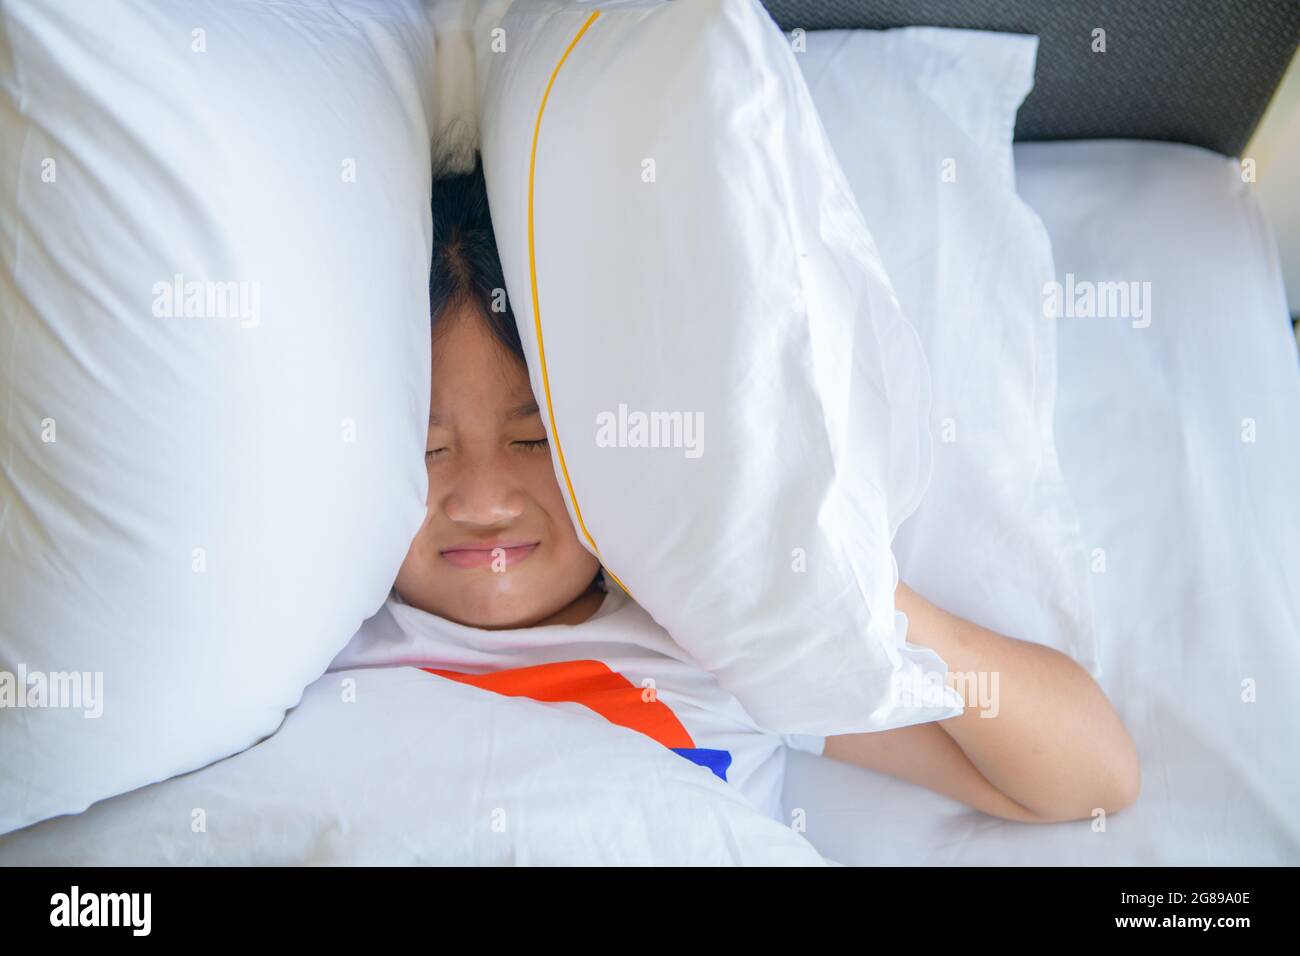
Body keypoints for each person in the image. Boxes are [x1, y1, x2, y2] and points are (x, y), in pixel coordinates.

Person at [335, 150, 1140, 826]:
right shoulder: (316, 659)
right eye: (430, 447)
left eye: (533, 439)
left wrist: (836, 583)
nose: (482, 500)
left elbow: (1087, 780)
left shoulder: (720, 647)